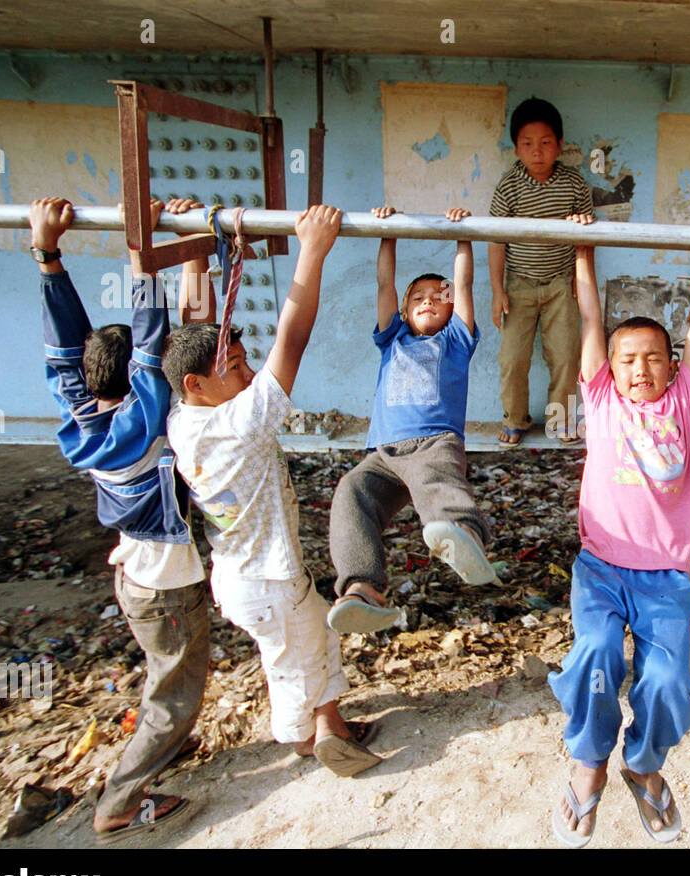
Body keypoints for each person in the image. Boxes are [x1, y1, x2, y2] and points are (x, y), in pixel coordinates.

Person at [164, 205, 384, 777]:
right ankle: (304, 739)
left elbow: (198, 335)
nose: (244, 372)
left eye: (241, 362)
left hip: (248, 577)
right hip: (267, 578)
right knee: (294, 665)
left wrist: (196, 253)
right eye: (234, 366)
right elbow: (292, 340)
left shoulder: (184, 417)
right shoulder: (239, 423)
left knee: (315, 637)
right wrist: (312, 252)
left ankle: (331, 726)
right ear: (198, 384)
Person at [32, 195, 210, 841]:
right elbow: (150, 345)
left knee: (170, 681)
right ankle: (120, 801)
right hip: (166, 585)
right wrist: (143, 252)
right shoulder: (141, 423)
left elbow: (64, 349)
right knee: (173, 693)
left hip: (135, 577)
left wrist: (49, 257)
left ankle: (164, 745)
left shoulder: (80, 423)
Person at [549, 221, 690, 847]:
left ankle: (643, 763)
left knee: (667, 680)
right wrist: (584, 253)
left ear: (673, 368)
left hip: (665, 573)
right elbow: (590, 319)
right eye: (628, 360)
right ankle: (590, 758)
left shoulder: (683, 401)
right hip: (601, 565)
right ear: (610, 371)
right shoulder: (601, 400)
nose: (640, 367)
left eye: (654, 357)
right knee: (595, 658)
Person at [326, 206, 495, 634]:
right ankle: (363, 587)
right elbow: (385, 283)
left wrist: (462, 235)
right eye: (418, 298)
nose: (428, 302)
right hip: (385, 452)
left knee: (439, 482)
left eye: (438, 297)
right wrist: (388, 233)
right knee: (352, 491)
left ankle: (465, 535)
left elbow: (464, 283)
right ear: (404, 310)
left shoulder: (456, 340)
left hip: (433, 442)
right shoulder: (393, 338)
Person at [488, 96, 595, 447]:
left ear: (560, 145)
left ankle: (562, 420)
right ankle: (515, 419)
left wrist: (582, 282)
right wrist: (496, 289)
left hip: (561, 285)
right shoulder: (509, 185)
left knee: (566, 355)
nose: (537, 151)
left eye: (546, 143)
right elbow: (495, 240)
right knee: (512, 358)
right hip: (517, 285)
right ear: (516, 147)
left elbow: (587, 238)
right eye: (527, 144)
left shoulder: (574, 183)